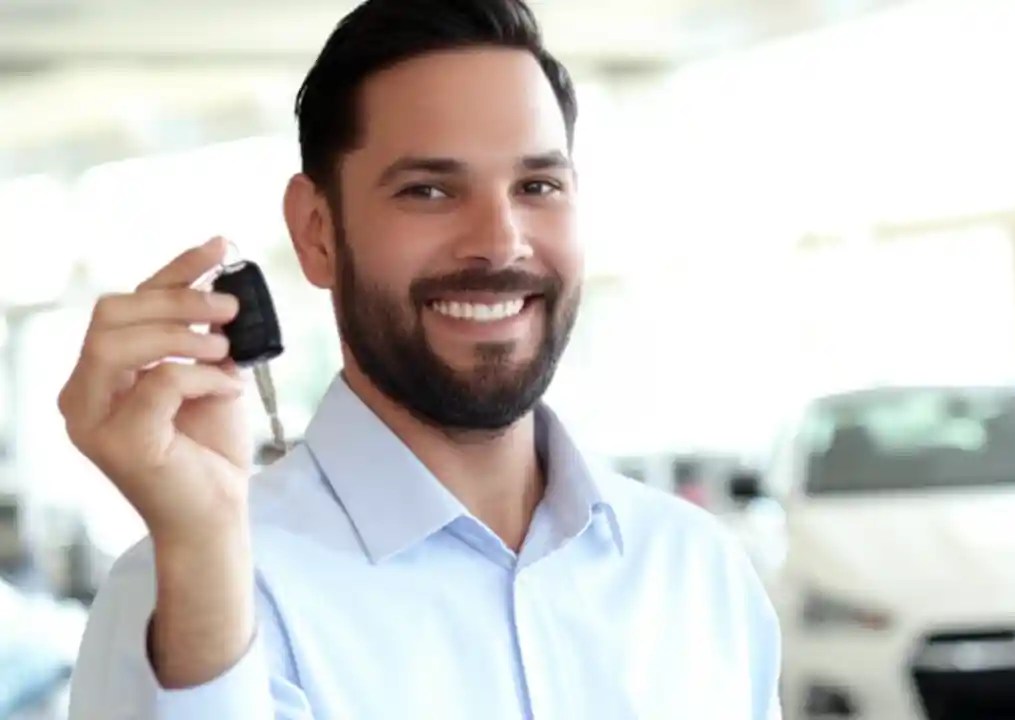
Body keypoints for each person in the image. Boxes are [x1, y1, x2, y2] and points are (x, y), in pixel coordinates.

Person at [58, 1, 781, 718]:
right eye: (429, 190)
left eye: (537, 187)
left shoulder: (695, 572)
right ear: (317, 233)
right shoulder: (191, 590)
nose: (500, 243)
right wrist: (208, 561)